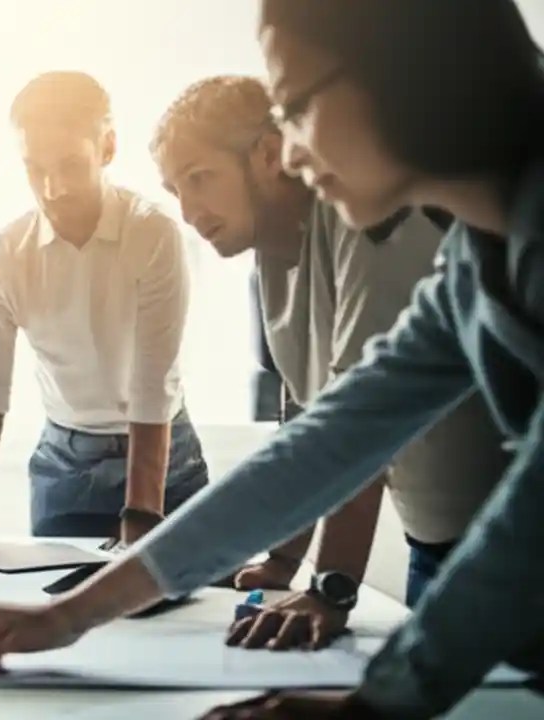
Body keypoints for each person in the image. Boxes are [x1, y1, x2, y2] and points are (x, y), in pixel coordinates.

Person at [0, 1, 544, 717]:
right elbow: (332, 441)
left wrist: (375, 704)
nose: (289, 153)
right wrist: (71, 615)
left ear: (399, 72)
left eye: (296, 108)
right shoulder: (472, 259)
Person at [151, 75, 510, 649]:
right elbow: (309, 421)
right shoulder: (268, 252)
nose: (190, 210)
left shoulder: (362, 216)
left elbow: (359, 422)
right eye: (175, 191)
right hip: (436, 544)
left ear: (269, 155)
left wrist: (332, 588)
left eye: (200, 178)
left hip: (508, 548)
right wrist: (283, 559)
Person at [0, 71, 210, 546]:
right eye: (34, 169)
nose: (53, 188)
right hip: (65, 465)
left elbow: (152, 383)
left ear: (107, 148)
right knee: (58, 608)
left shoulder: (153, 233)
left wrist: (141, 513)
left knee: (177, 611)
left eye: (71, 166)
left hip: (165, 457)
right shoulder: (6, 252)